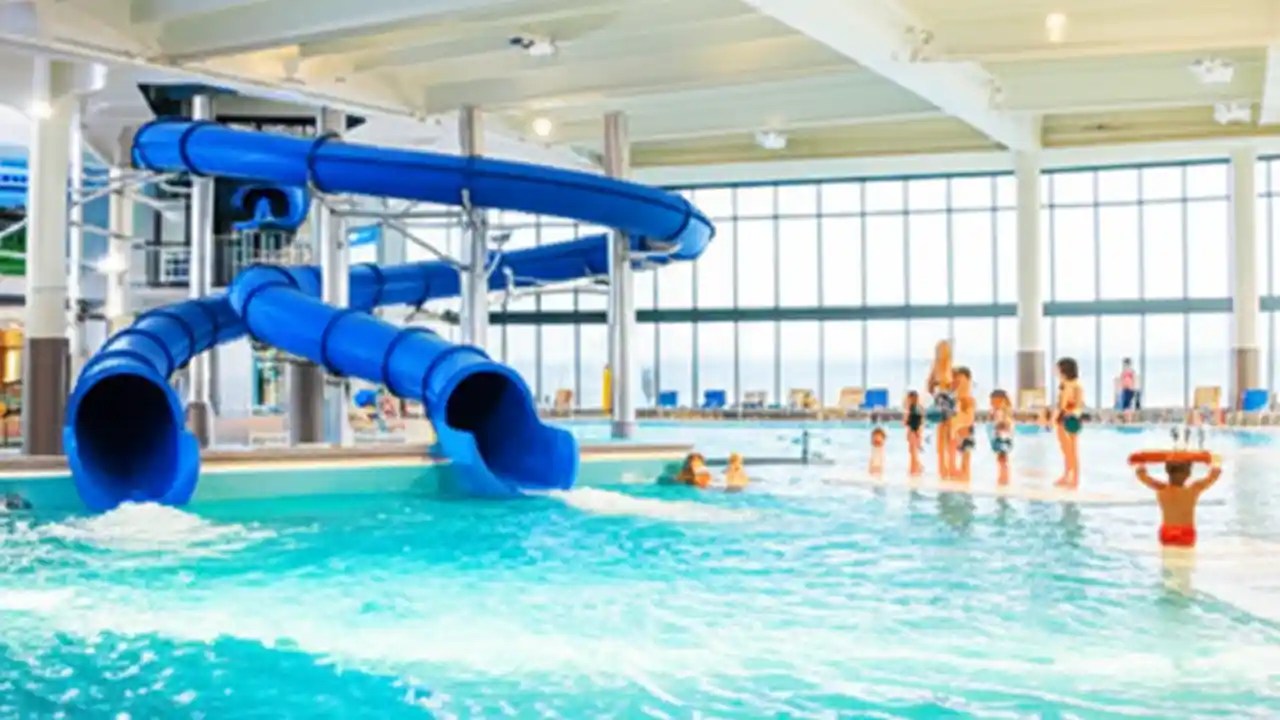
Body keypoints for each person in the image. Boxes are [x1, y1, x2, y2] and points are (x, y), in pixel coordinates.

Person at [1130, 456, 1222, 547]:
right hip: (1185, 532)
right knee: (1185, 555)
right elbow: (1212, 477)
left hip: (1168, 531)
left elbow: (1143, 477)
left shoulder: (1162, 488)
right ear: (1188, 474)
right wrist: (1216, 463)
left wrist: (1141, 464)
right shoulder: (1193, 490)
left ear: (1167, 471)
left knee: (1168, 555)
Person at [926, 340, 956, 480]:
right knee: (944, 435)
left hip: (945, 399)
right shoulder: (941, 367)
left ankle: (946, 467)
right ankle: (944, 467)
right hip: (944, 399)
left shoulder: (946, 367)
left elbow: (929, 386)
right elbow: (929, 386)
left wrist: (937, 392)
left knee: (947, 435)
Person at [1054, 357, 1084, 489]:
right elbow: (1079, 405)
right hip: (1074, 419)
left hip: (1066, 419)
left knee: (1068, 450)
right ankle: (1070, 476)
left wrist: (1054, 418)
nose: (1056, 371)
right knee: (1071, 450)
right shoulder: (1076, 385)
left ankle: (1071, 477)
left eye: (1058, 369)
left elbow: (1062, 405)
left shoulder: (1068, 385)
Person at [950, 367, 976, 483]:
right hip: (959, 433)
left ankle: (965, 478)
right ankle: (963, 477)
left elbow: (969, 418)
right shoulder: (957, 399)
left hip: (966, 433)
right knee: (960, 459)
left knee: (965, 460)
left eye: (960, 379)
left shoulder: (968, 399)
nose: (958, 381)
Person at [990, 389, 1014, 486]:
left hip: (1003, 437)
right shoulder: (1002, 411)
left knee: (1002, 459)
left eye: (993, 402)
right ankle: (1003, 476)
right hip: (1002, 436)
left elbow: (1005, 424)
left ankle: (1004, 477)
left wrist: (999, 426)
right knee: (1002, 459)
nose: (992, 404)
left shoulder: (1003, 412)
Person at [903, 390, 925, 475]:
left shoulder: (911, 409)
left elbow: (905, 422)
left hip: (913, 432)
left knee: (913, 451)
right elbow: (921, 422)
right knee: (914, 451)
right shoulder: (920, 408)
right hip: (917, 432)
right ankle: (915, 468)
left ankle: (916, 468)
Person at [1117, 358, 1138, 423]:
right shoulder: (1123, 373)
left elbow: (1134, 381)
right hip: (1124, 390)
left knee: (1128, 407)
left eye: (1127, 364)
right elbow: (1121, 381)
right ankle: (1126, 420)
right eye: (1124, 365)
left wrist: (1133, 389)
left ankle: (1129, 421)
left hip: (1129, 390)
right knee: (1125, 407)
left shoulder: (1131, 372)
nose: (1125, 366)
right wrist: (1120, 390)